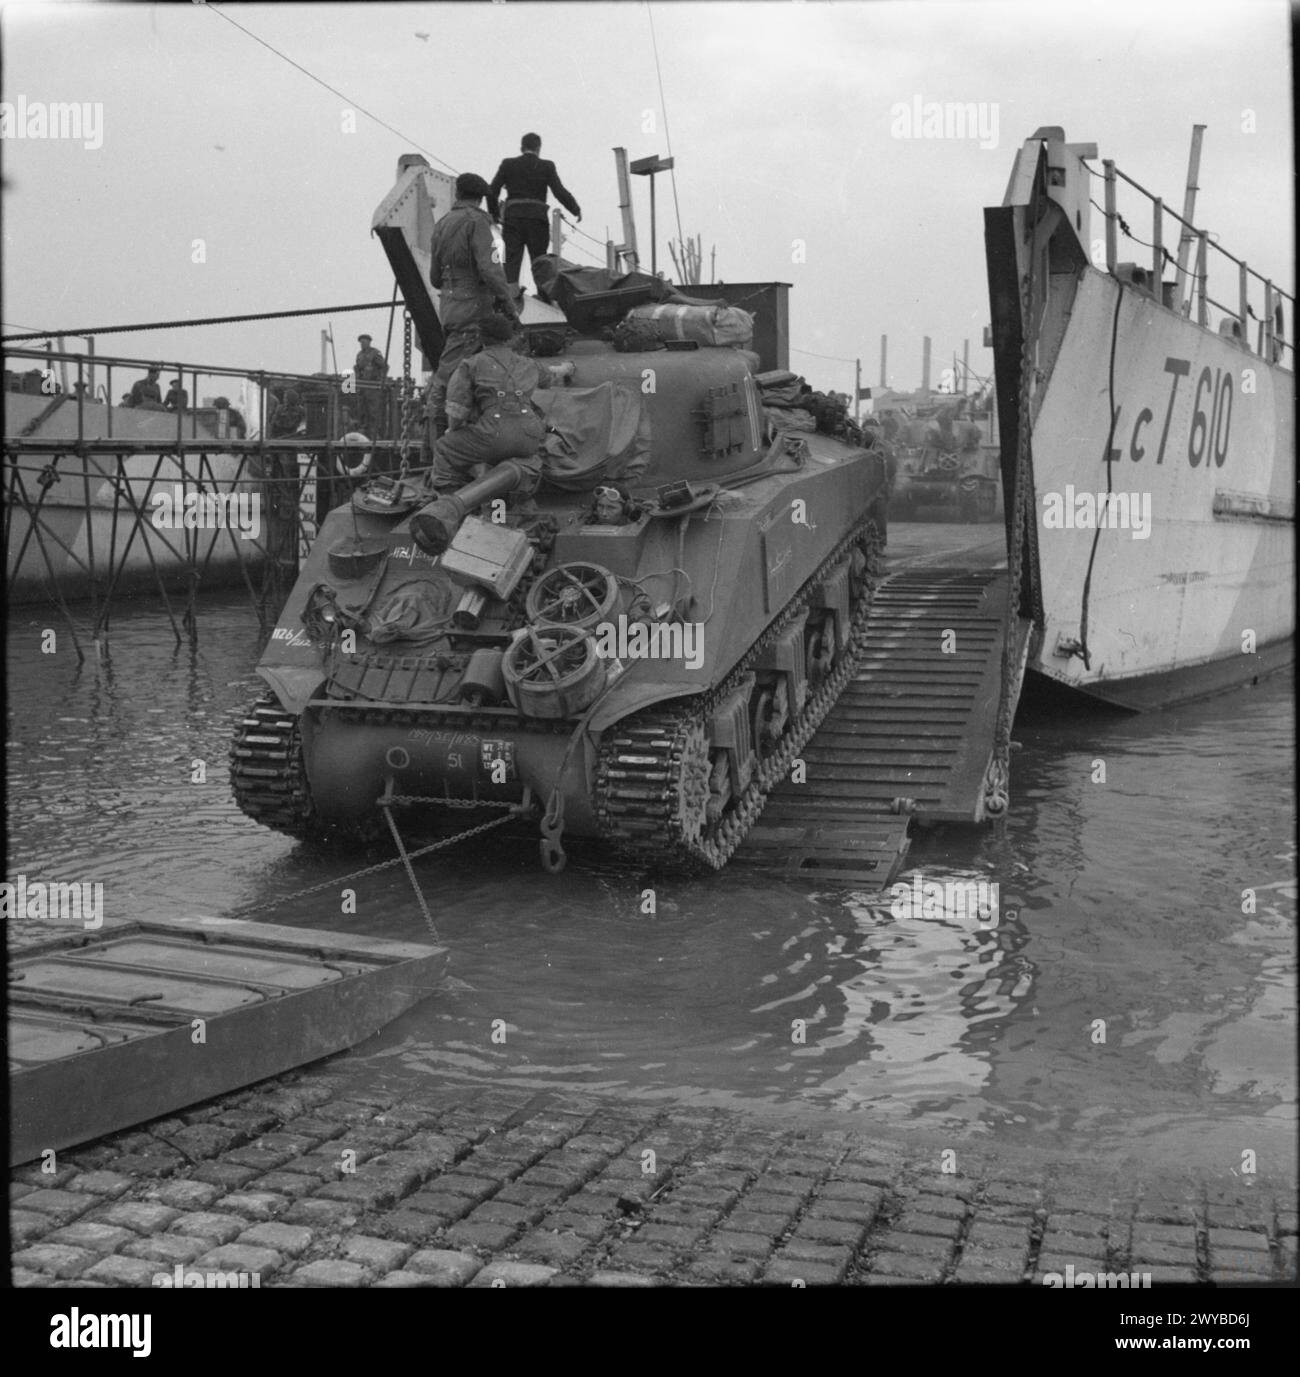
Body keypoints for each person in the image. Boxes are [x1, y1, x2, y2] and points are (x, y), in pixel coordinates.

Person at [425, 171, 520, 442]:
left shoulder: (442, 224)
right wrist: (508, 305)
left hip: (449, 309)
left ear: (457, 194)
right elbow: (491, 270)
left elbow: (434, 277)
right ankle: (442, 447)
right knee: (454, 376)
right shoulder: (478, 222)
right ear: (480, 198)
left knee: (454, 369)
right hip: (474, 310)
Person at [429, 314, 567, 494]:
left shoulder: (470, 365)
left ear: (481, 337)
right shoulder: (528, 363)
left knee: (444, 448)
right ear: (508, 338)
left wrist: (453, 431)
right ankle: (505, 503)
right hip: (530, 437)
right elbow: (550, 378)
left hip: (492, 434)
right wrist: (567, 368)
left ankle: (452, 502)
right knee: (498, 451)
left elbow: (456, 414)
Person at [488, 133, 581, 285]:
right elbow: (559, 191)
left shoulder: (508, 164)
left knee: (511, 262)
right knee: (539, 263)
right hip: (537, 220)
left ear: (521, 148)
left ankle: (510, 298)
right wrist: (575, 209)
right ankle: (544, 298)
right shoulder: (547, 166)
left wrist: (494, 214)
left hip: (513, 219)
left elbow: (492, 190)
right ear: (538, 148)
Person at [354, 333, 388, 433]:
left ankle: (375, 432)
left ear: (369, 342)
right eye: (361, 342)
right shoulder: (359, 355)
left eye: (364, 342)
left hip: (373, 387)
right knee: (362, 409)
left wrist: (381, 381)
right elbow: (358, 369)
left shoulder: (375, 353)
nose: (362, 344)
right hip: (362, 386)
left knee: (373, 410)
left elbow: (384, 367)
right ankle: (363, 429)